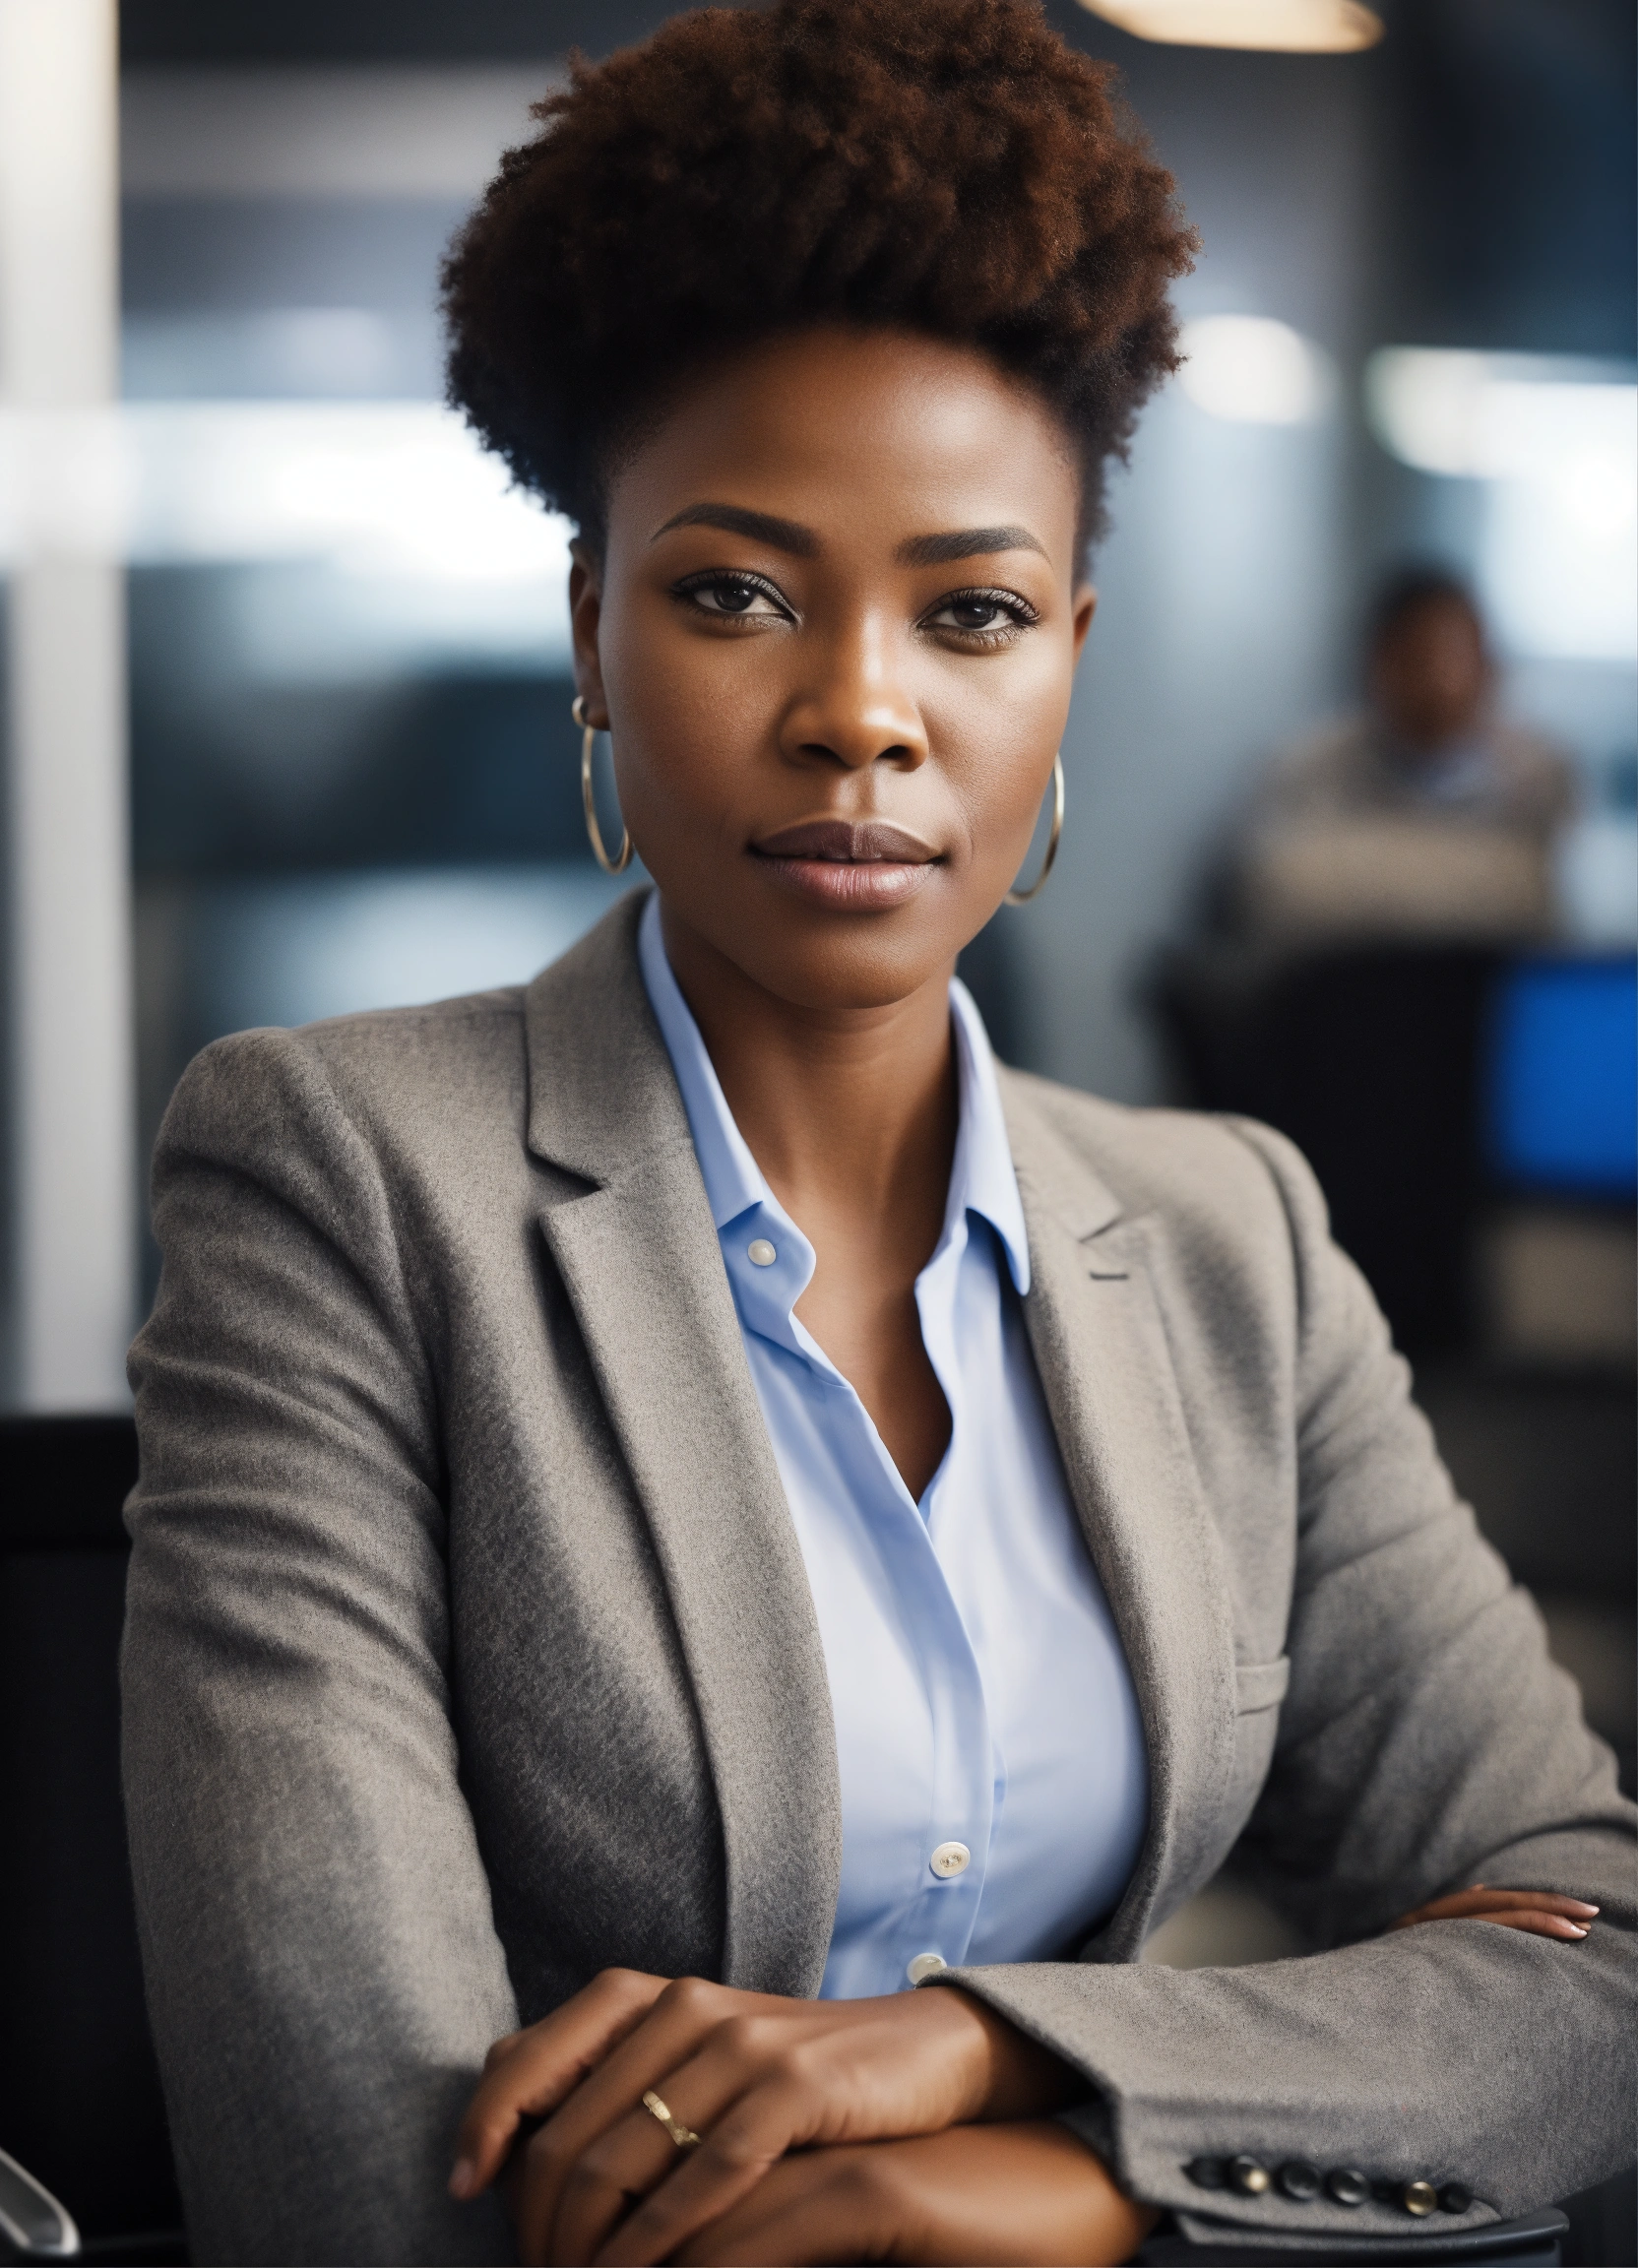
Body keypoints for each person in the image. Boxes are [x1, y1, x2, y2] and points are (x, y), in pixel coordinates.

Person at [119, 6, 1634, 2264]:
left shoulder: (1226, 1237)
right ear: (591, 636)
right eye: (732, 590)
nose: (856, 706)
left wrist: (1014, 2101)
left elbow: (1583, 1966)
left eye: (971, 610)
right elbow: (345, 2164)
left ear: (1065, 660)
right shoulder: (343, 1182)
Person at [1232, 569, 1576, 941]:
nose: (1436, 678)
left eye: (1454, 654)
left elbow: (1554, 896)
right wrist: (1495, 881)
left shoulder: (1542, 775)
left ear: (1488, 668)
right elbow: (1278, 889)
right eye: (1415, 656)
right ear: (1375, 665)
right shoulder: (1304, 768)